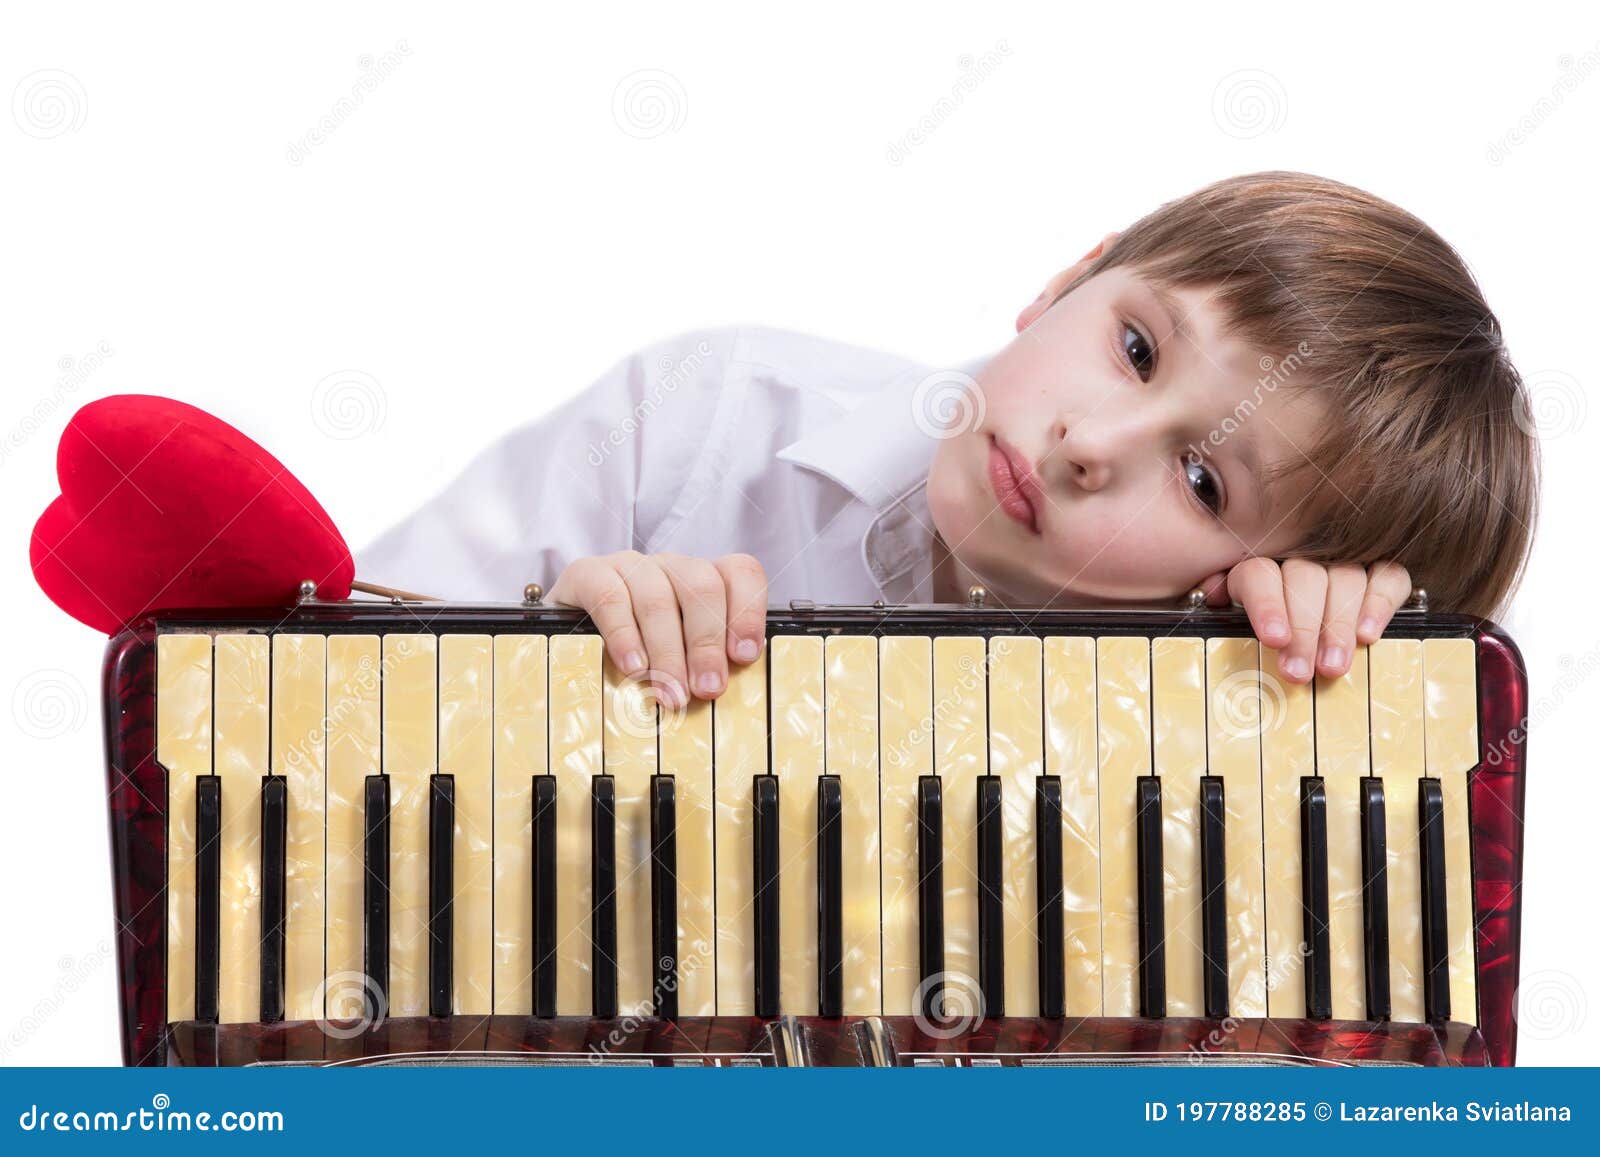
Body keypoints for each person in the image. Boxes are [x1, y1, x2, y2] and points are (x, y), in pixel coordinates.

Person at [357, 171, 1538, 708]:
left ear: (1248, 581)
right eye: (1136, 347)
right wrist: (529, 655)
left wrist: (1337, 696)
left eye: (1199, 479)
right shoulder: (709, 413)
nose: (1090, 443)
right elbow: (321, 692)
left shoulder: (1235, 696)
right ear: (1068, 278)